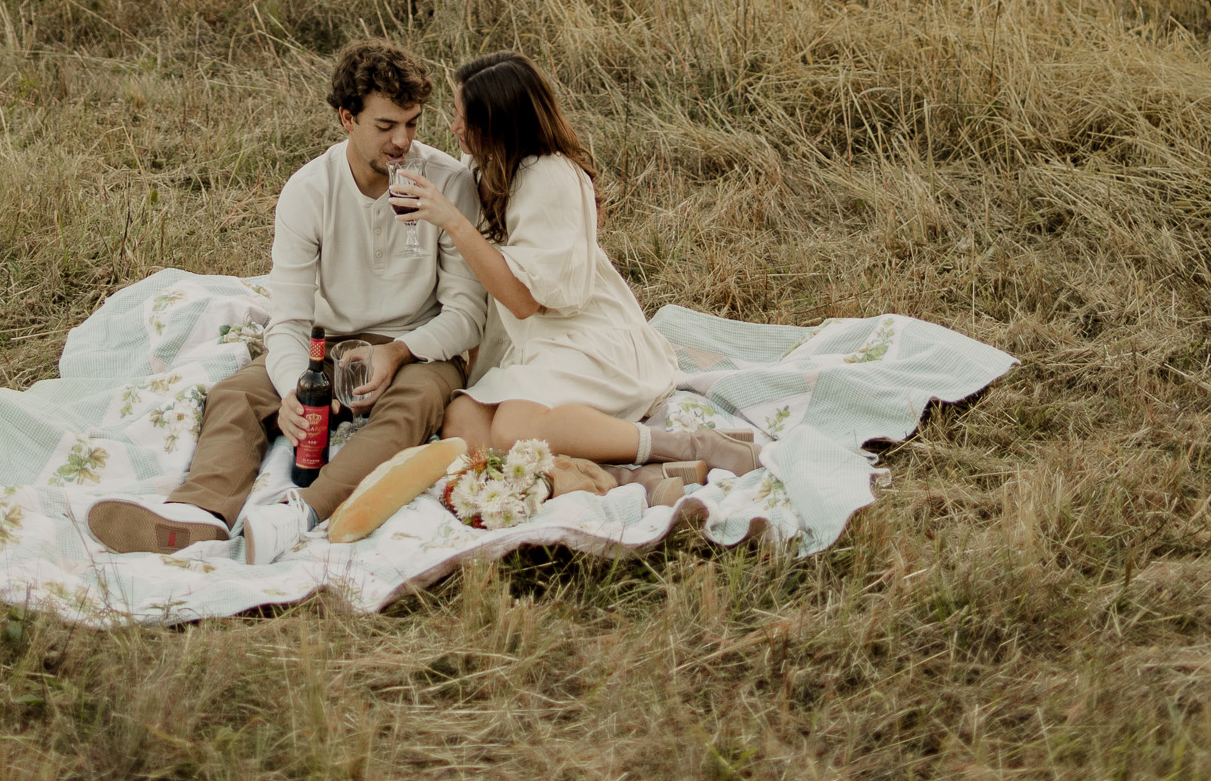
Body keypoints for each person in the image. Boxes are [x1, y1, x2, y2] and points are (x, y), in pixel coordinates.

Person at [88, 41, 487, 565]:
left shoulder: (448, 183)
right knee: (236, 394)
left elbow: (466, 316)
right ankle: (202, 514)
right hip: (331, 341)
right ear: (347, 118)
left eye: (412, 124)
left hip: (417, 343)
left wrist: (399, 354)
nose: (403, 141)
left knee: (412, 407)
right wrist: (295, 388)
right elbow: (290, 319)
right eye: (386, 125)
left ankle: (301, 513)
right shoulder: (308, 191)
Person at [394, 51, 761, 496]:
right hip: (534, 343)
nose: (454, 127)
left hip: (585, 335)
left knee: (513, 429)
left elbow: (525, 301)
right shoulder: (488, 166)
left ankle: (686, 445)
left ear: (500, 122)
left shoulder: (549, 177)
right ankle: (625, 477)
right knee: (462, 422)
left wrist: (453, 221)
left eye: (464, 117)